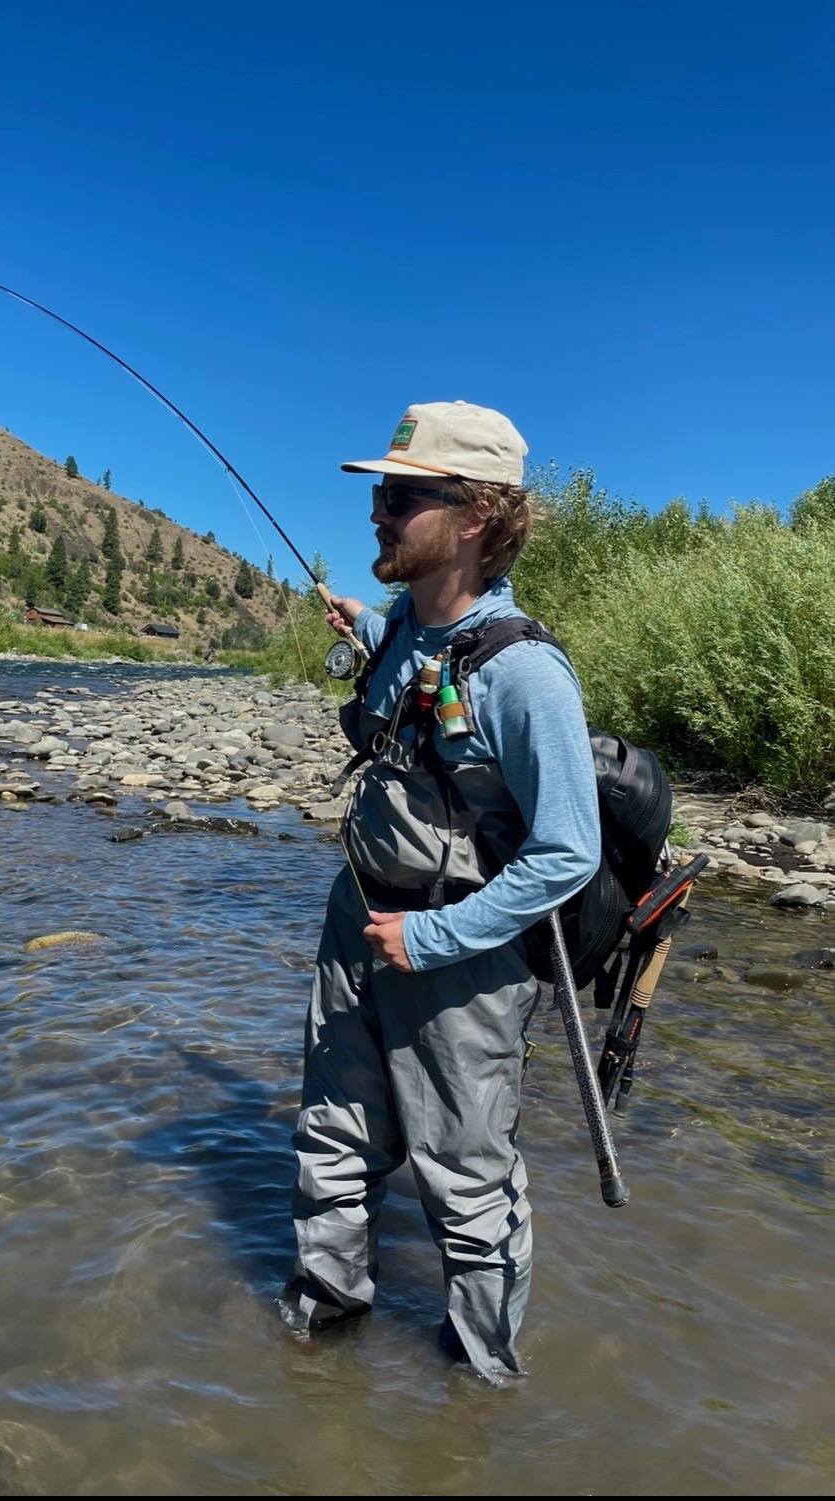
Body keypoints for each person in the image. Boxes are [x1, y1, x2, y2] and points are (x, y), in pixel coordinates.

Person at [278, 399, 601, 1383]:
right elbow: (418, 679)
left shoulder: (531, 677)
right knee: (332, 1132)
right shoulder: (404, 631)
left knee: (465, 1182)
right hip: (355, 917)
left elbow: (567, 855)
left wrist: (428, 940)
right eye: (378, 493)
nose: (377, 512)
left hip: (455, 952)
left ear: (472, 517)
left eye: (400, 496)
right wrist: (366, 624)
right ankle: (316, 1341)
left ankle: (478, 1390)